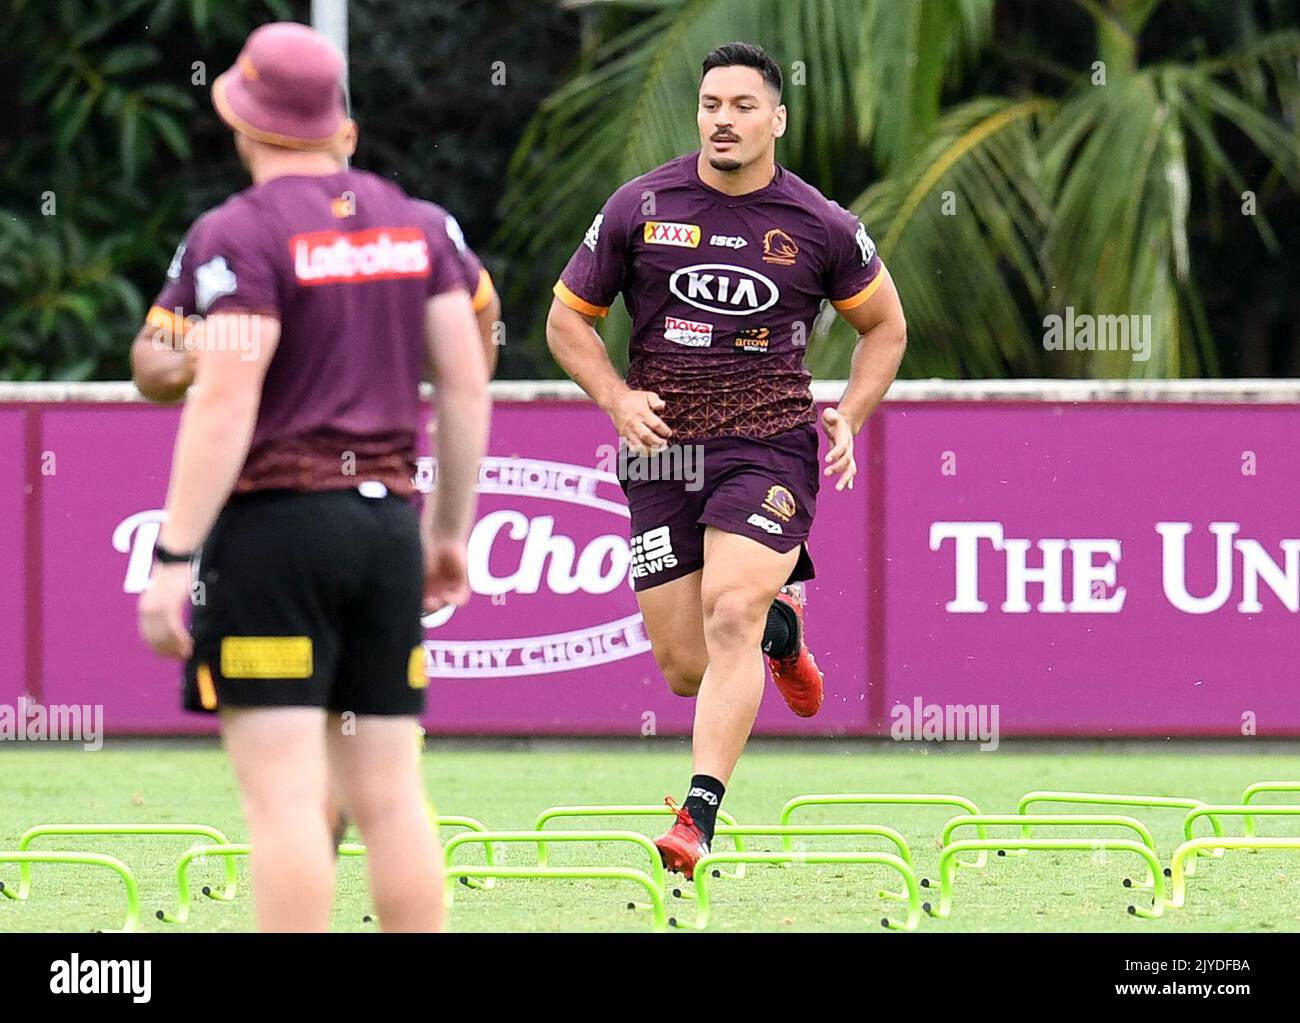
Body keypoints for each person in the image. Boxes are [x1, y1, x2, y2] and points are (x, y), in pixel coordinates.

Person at [134, 22, 490, 931]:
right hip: (384, 530)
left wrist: (174, 554)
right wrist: (447, 532)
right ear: (339, 124)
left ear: (241, 122)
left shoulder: (239, 232)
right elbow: (462, 382)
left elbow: (225, 400)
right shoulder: (419, 223)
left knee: (286, 803)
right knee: (390, 799)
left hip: (277, 533)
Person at [546, 42, 907, 879]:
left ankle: (698, 814)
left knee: (731, 608)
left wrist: (850, 413)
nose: (724, 120)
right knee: (685, 667)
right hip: (662, 453)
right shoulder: (641, 205)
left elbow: (885, 326)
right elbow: (568, 321)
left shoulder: (820, 224)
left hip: (769, 448)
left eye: (743, 106)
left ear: (777, 119)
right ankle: (785, 631)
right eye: (711, 104)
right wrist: (616, 398)